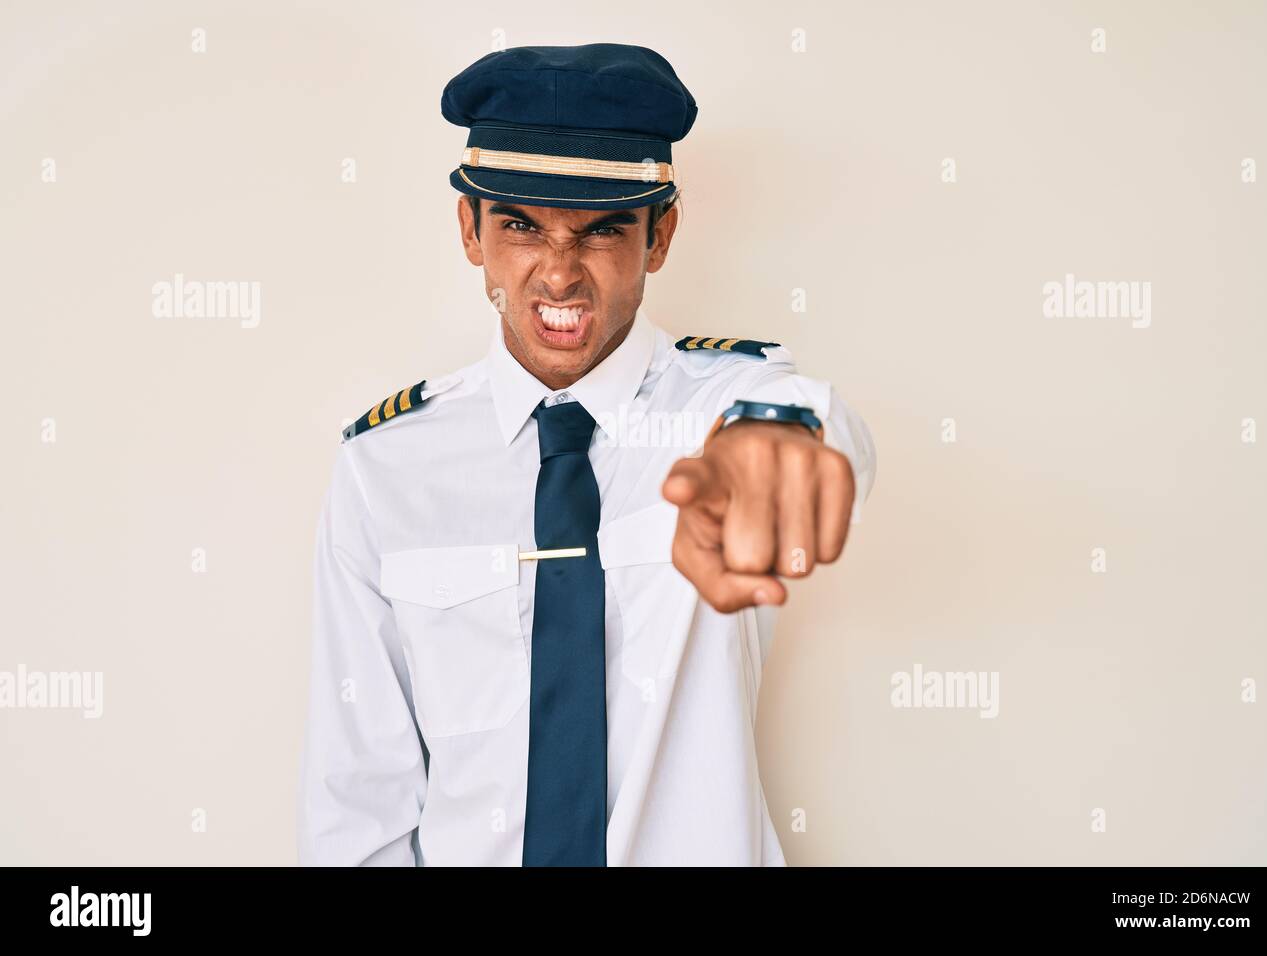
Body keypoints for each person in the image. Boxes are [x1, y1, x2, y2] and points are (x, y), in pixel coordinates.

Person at [297, 42, 876, 866]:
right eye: (522, 226)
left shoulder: (721, 408)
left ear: (661, 234)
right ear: (471, 228)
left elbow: (813, 421)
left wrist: (778, 449)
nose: (560, 275)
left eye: (602, 231)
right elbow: (358, 800)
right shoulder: (384, 469)